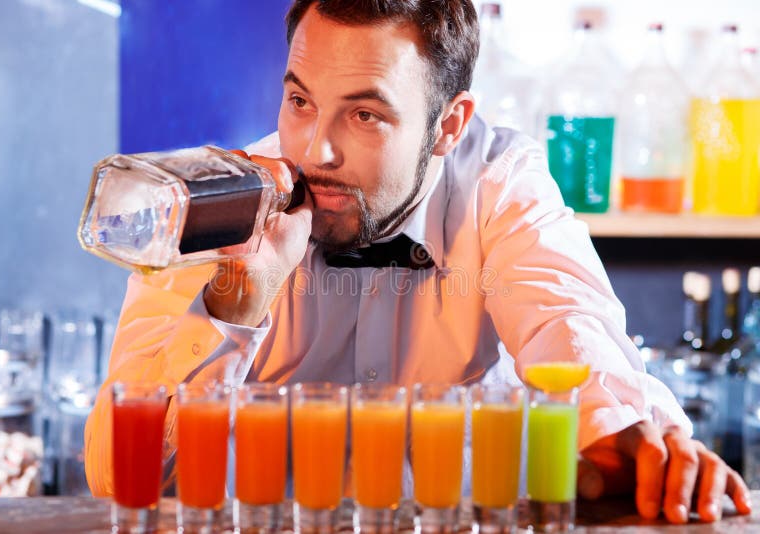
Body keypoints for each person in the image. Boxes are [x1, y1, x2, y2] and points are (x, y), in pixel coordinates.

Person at [85, 0, 752, 524]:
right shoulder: (223, 204)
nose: (316, 150)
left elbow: (565, 318)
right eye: (299, 101)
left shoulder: (499, 181)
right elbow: (118, 478)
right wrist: (237, 298)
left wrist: (630, 436)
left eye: (365, 116)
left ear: (450, 125)